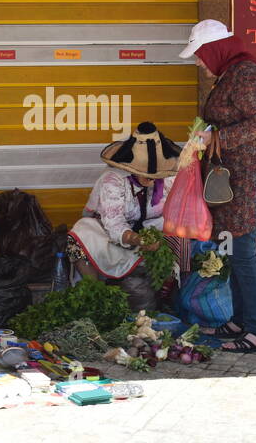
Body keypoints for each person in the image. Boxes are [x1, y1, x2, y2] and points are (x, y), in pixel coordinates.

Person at [178, 19, 256, 354]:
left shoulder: (246, 75)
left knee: (244, 250)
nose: (197, 62)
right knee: (234, 251)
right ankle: (238, 320)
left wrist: (216, 138)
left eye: (199, 54)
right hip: (233, 175)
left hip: (250, 173)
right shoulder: (229, 74)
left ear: (214, 49)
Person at [68, 122, 180, 313]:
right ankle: (95, 298)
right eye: (144, 174)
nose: (151, 179)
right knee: (78, 235)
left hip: (148, 237)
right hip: (107, 235)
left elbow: (176, 210)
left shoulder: (167, 177)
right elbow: (114, 222)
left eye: (154, 175)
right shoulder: (113, 179)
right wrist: (135, 239)